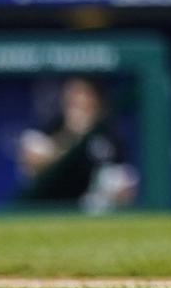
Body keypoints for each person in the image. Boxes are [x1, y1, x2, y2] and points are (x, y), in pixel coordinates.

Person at [15, 77, 138, 211]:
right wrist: (70, 135)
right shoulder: (52, 127)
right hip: (47, 203)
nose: (79, 103)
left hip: (89, 207)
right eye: (74, 97)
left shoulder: (107, 135)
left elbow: (125, 183)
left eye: (84, 96)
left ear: (96, 101)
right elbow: (34, 161)